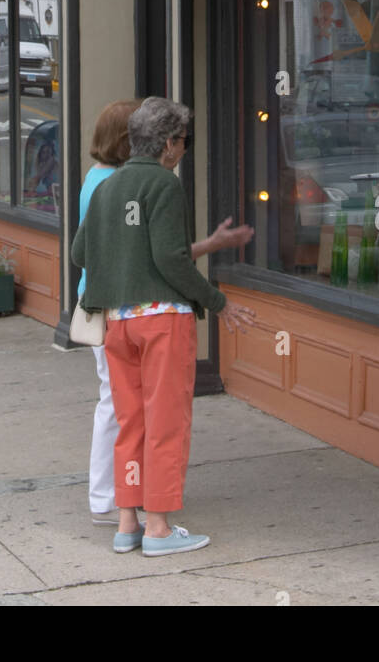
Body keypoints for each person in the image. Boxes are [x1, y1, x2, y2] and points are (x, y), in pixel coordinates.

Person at [72, 96, 255, 556]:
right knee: (166, 423)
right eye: (184, 141)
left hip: (117, 323)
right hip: (162, 322)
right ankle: (158, 527)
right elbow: (171, 259)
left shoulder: (107, 187)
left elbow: (80, 254)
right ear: (169, 143)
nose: (184, 150)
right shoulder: (164, 184)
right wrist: (217, 302)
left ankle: (127, 521)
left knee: (130, 422)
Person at [77, 100, 141, 526]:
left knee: (115, 402)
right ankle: (106, 498)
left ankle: (113, 494)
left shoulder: (97, 177)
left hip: (100, 301)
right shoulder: (113, 185)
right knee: (117, 404)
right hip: (112, 305)